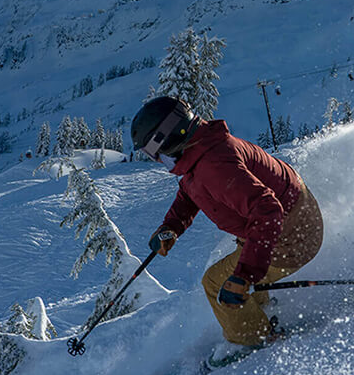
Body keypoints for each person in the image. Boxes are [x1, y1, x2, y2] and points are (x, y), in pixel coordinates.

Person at [131, 96, 324, 354]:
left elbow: (267, 211)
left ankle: (250, 341)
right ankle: (261, 309)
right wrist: (173, 226)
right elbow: (191, 191)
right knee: (237, 267)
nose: (155, 160)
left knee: (215, 283)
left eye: (152, 152)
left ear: (165, 140)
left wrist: (244, 275)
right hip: (289, 223)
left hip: (292, 236)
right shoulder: (201, 149)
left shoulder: (214, 165)